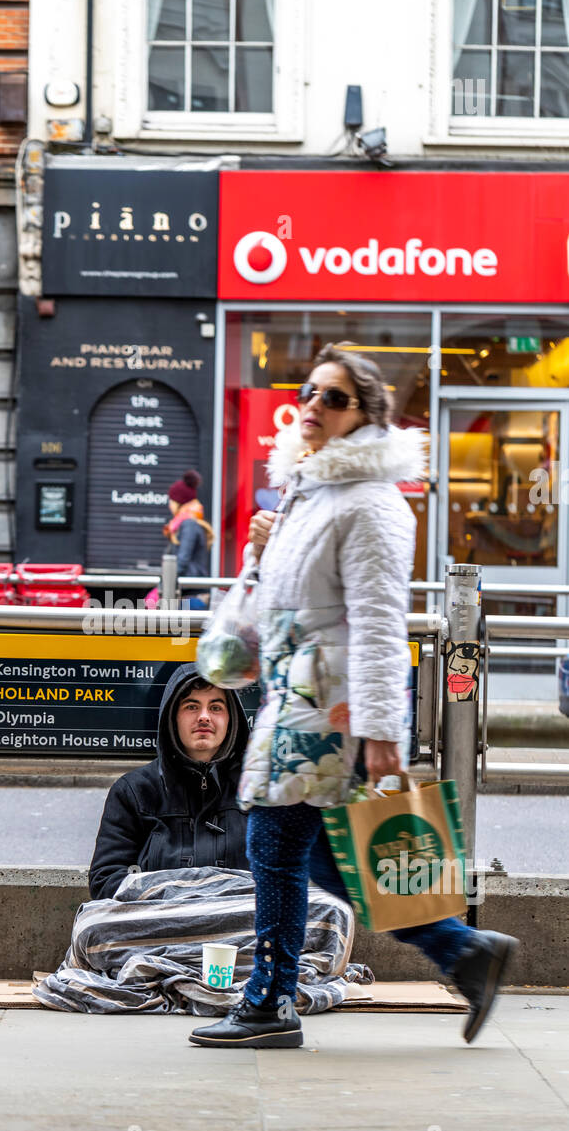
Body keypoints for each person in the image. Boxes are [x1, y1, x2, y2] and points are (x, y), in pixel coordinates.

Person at [190, 343, 517, 1051]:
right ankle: (462, 950)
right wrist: (262, 546)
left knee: (273, 844)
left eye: (332, 398)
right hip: (299, 692)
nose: (312, 405)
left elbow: (377, 622)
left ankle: (269, 1002)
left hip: (327, 704)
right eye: (308, 391)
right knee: (325, 853)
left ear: (367, 416)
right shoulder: (313, 491)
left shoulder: (371, 504)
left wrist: (379, 730)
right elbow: (284, 601)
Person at [88, 663, 248, 903]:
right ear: (172, 717)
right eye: (191, 706)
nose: (204, 716)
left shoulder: (258, 792)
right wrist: (178, 898)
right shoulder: (134, 791)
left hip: (240, 935)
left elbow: (285, 873)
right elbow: (105, 880)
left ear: (231, 719)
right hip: (155, 934)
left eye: (215, 707)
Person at [164, 470, 214, 609]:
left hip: (191, 597)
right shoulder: (187, 524)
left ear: (179, 502)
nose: (169, 505)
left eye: (172, 500)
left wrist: (165, 585)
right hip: (190, 595)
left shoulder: (189, 525)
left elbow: (182, 559)